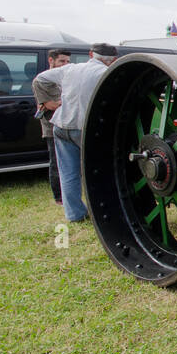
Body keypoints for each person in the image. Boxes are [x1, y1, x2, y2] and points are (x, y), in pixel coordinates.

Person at [34, 43, 118, 222]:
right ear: (113, 61)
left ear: (90, 54)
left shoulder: (70, 69)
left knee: (68, 172)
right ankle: (101, 211)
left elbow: (39, 79)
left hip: (62, 125)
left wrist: (47, 101)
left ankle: (74, 214)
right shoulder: (105, 74)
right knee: (95, 170)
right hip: (85, 128)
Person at [32, 48, 71, 204]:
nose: (65, 64)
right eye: (61, 61)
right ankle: (59, 197)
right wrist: (68, 102)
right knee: (56, 163)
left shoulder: (65, 78)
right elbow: (50, 105)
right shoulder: (41, 81)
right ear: (51, 60)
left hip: (67, 124)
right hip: (51, 126)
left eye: (68, 61)